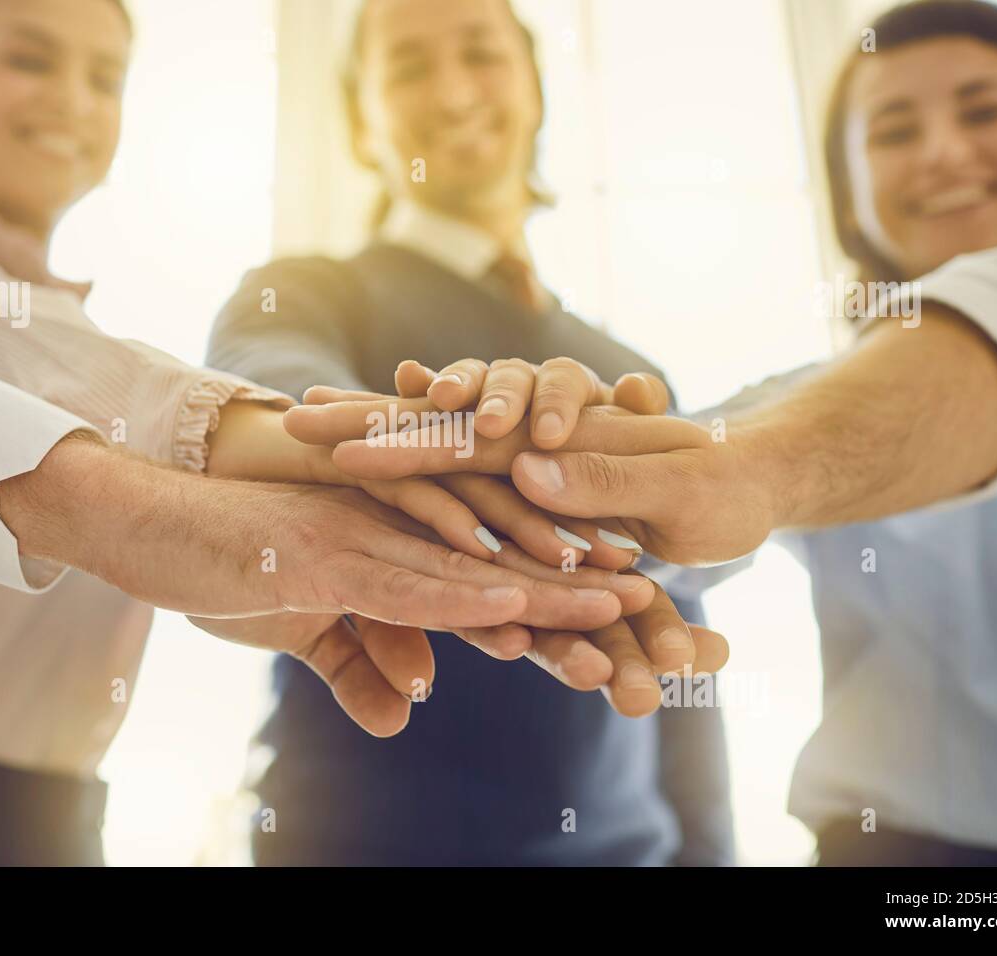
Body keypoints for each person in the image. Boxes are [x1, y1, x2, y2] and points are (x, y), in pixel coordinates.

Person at [0, 0, 677, 865]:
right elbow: (5, 356)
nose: (69, 99)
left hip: (52, 814)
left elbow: (673, 614)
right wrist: (363, 447)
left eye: (104, 77)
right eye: (30, 59)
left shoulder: (618, 360)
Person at [302, 0, 997, 868]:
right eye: (894, 130)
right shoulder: (318, 292)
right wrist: (576, 512)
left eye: (983, 112)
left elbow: (680, 672)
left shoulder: (624, 364)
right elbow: (673, 550)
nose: (939, 153)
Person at [207, 0, 734, 866]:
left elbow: (677, 646)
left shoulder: (629, 370)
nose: (453, 93)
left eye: (481, 54)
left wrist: (710, 854)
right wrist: (545, 476)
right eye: (409, 67)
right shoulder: (303, 293)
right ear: (361, 121)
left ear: (534, 88)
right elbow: (279, 410)